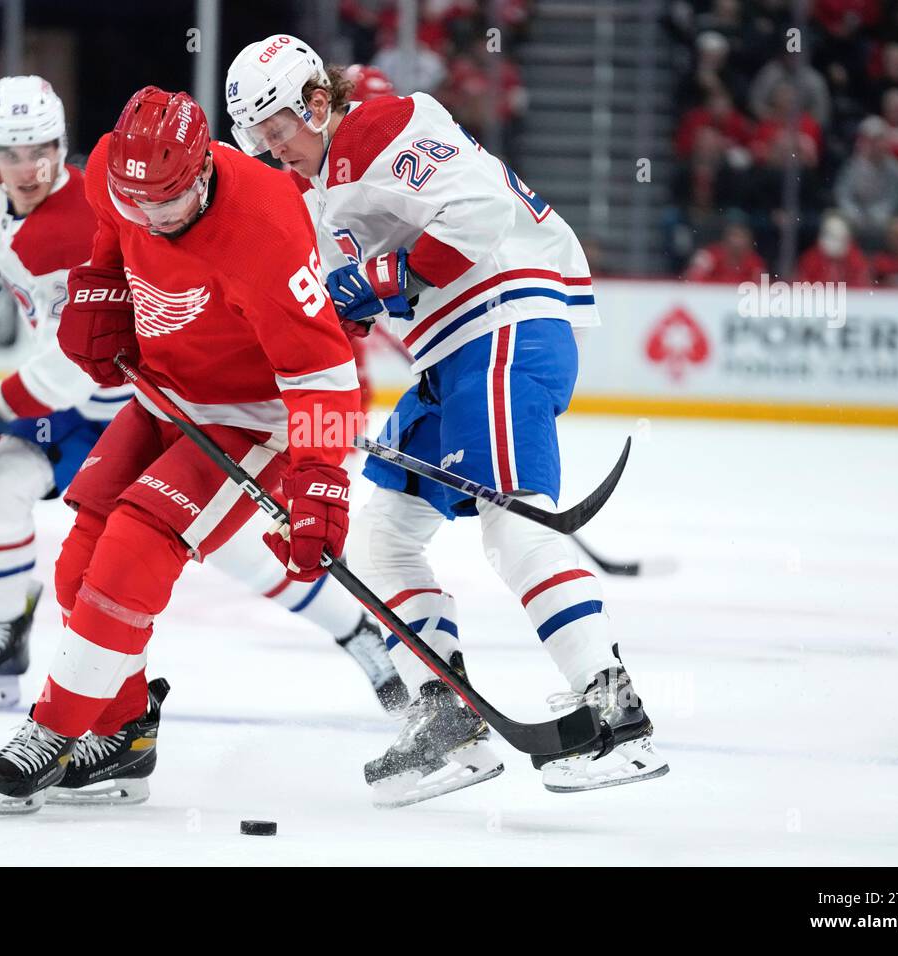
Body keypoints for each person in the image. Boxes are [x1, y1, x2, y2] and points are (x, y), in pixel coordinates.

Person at [225, 35, 668, 807]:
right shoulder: (316, 188)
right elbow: (345, 301)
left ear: (319, 103)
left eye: (279, 130)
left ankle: (612, 707)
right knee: (381, 537)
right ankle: (448, 719)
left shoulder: (373, 128)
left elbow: (480, 212)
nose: (271, 150)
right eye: (256, 139)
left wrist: (374, 283)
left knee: (515, 523)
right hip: (453, 353)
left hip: (503, 321)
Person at [0, 77, 400, 717]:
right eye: (8, 152)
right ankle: (18, 639)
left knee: (206, 545)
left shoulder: (86, 217)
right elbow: (14, 251)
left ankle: (354, 631)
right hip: (94, 403)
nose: (25, 169)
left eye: (39, 149)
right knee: (7, 498)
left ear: (63, 147)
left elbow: (72, 355)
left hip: (121, 397)